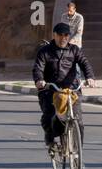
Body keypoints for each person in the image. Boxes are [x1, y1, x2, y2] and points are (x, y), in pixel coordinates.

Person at [32, 22, 95, 155]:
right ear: (54, 35)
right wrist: (39, 81)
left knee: (79, 121)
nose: (63, 38)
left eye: (66, 35)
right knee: (50, 116)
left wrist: (90, 77)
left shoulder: (74, 50)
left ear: (69, 36)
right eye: (60, 35)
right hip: (51, 89)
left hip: (72, 90)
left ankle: (78, 153)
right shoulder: (45, 51)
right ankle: (50, 140)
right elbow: (38, 68)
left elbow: (84, 63)